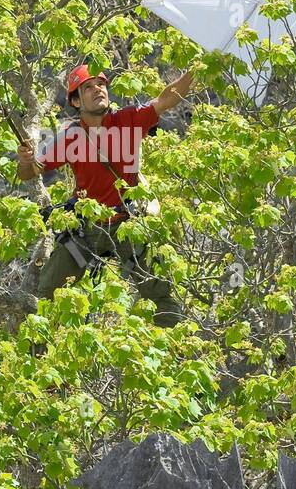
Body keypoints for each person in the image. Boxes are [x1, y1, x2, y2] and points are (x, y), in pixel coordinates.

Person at [16, 64, 197, 326]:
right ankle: (40, 355)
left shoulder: (128, 119)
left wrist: (195, 70)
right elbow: (30, 172)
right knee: (48, 293)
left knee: (161, 295)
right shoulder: (70, 136)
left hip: (127, 222)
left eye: (100, 85)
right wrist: (25, 160)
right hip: (86, 228)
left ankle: (177, 350)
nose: (97, 90)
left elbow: (167, 98)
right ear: (76, 101)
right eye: (87, 87)